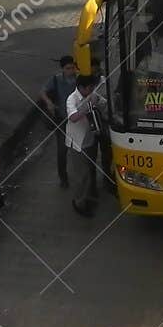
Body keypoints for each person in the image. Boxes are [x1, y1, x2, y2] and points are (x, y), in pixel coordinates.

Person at [39, 56, 80, 188]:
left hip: (77, 119)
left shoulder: (79, 79)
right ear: (62, 69)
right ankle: (63, 178)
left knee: (80, 150)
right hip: (62, 120)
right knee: (62, 151)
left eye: (72, 68)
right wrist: (49, 102)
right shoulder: (56, 80)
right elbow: (42, 92)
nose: (71, 71)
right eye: (68, 68)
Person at [66, 75, 104, 216]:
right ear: (81, 87)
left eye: (92, 88)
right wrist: (88, 104)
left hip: (89, 139)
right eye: (89, 88)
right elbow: (73, 117)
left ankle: (87, 198)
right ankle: (79, 203)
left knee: (89, 172)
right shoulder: (72, 99)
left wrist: (98, 101)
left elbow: (104, 104)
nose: (91, 90)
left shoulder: (92, 95)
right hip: (77, 143)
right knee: (81, 175)